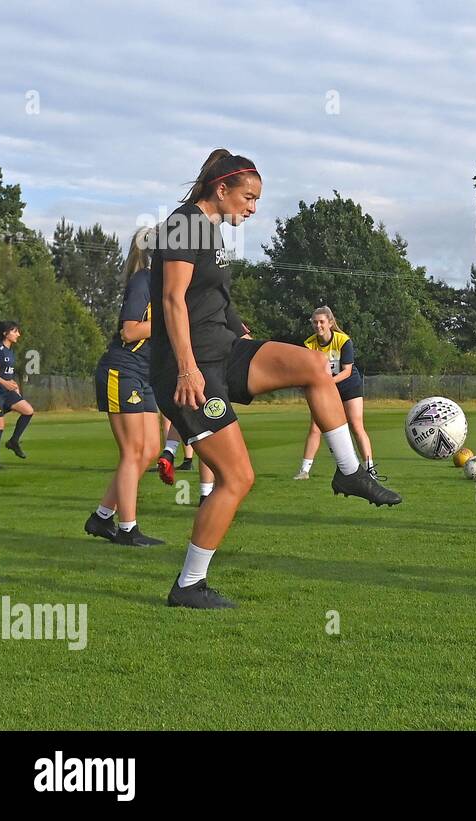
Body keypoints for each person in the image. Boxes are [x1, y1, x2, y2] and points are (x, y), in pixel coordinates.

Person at [151, 149, 401, 610]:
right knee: (237, 478)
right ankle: (188, 585)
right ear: (220, 189)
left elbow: (215, 300)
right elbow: (172, 300)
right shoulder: (184, 222)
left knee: (312, 365)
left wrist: (241, 329)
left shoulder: (211, 232)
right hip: (190, 370)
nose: (252, 207)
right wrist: (186, 367)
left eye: (257, 200)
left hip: (224, 352)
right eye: (248, 197)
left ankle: (350, 473)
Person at [83, 227, 167, 546]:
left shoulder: (162, 286)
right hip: (122, 370)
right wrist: (170, 319)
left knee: (149, 450)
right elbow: (130, 332)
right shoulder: (143, 280)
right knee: (132, 451)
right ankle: (128, 529)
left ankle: (102, 518)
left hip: (143, 374)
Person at [296, 306, 382, 481]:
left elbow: (347, 371)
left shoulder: (343, 340)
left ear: (330, 323)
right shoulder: (309, 344)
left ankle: (370, 469)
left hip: (348, 385)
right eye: (315, 322)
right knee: (315, 427)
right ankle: (304, 471)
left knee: (356, 426)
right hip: (325, 389)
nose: (318, 325)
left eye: (321, 322)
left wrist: (326, 383)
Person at [0, 321, 36, 469]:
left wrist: (13, 385)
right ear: (5, 333)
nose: (18, 334)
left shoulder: (10, 351)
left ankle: (13, 441)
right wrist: (4, 383)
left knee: (28, 411)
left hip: (7, 392)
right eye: (15, 331)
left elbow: (6, 374)